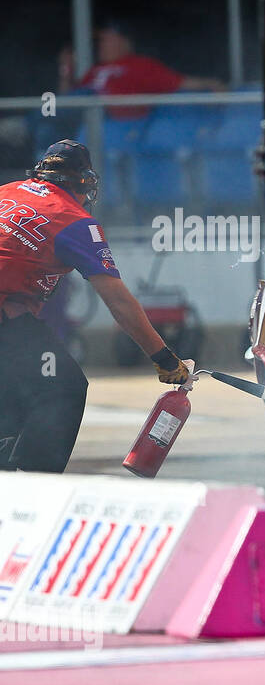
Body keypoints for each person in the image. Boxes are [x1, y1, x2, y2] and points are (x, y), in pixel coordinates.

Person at [0, 140, 191, 473]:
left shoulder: (7, 191)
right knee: (64, 387)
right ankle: (33, 492)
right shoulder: (75, 222)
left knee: (17, 392)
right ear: (83, 183)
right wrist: (164, 359)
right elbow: (118, 301)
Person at [57, 21, 225, 120]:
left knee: (79, 103)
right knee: (62, 110)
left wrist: (211, 83)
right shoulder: (96, 70)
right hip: (82, 121)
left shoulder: (140, 65)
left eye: (106, 39)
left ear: (124, 41)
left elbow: (179, 82)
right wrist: (66, 71)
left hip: (112, 121)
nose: (100, 43)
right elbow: (69, 98)